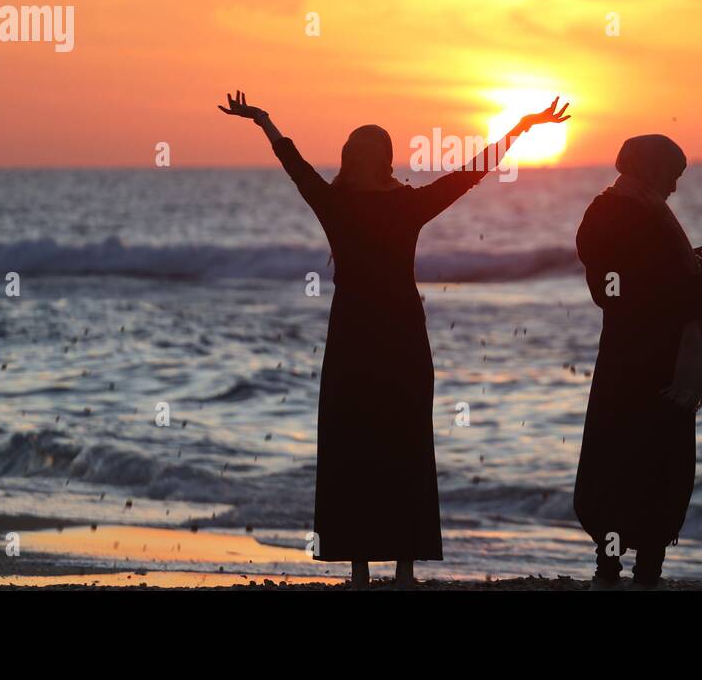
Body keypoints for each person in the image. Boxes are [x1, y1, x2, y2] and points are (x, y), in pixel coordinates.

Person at [219, 90, 570, 587]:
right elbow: (470, 174)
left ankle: (360, 568)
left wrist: (263, 120)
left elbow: (293, 163)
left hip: (354, 334)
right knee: (404, 443)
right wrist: (520, 129)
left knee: (352, 444)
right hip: (402, 333)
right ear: (387, 158)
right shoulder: (408, 203)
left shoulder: (335, 201)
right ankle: (404, 568)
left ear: (348, 157)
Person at [572, 135, 702, 590]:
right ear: (654, 169)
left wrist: (684, 270)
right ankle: (647, 574)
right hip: (659, 365)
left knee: (615, 463)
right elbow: (670, 301)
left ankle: (608, 567)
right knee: (659, 465)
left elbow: (619, 292)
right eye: (673, 175)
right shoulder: (644, 217)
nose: (676, 187)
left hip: (621, 360)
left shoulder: (606, 211)